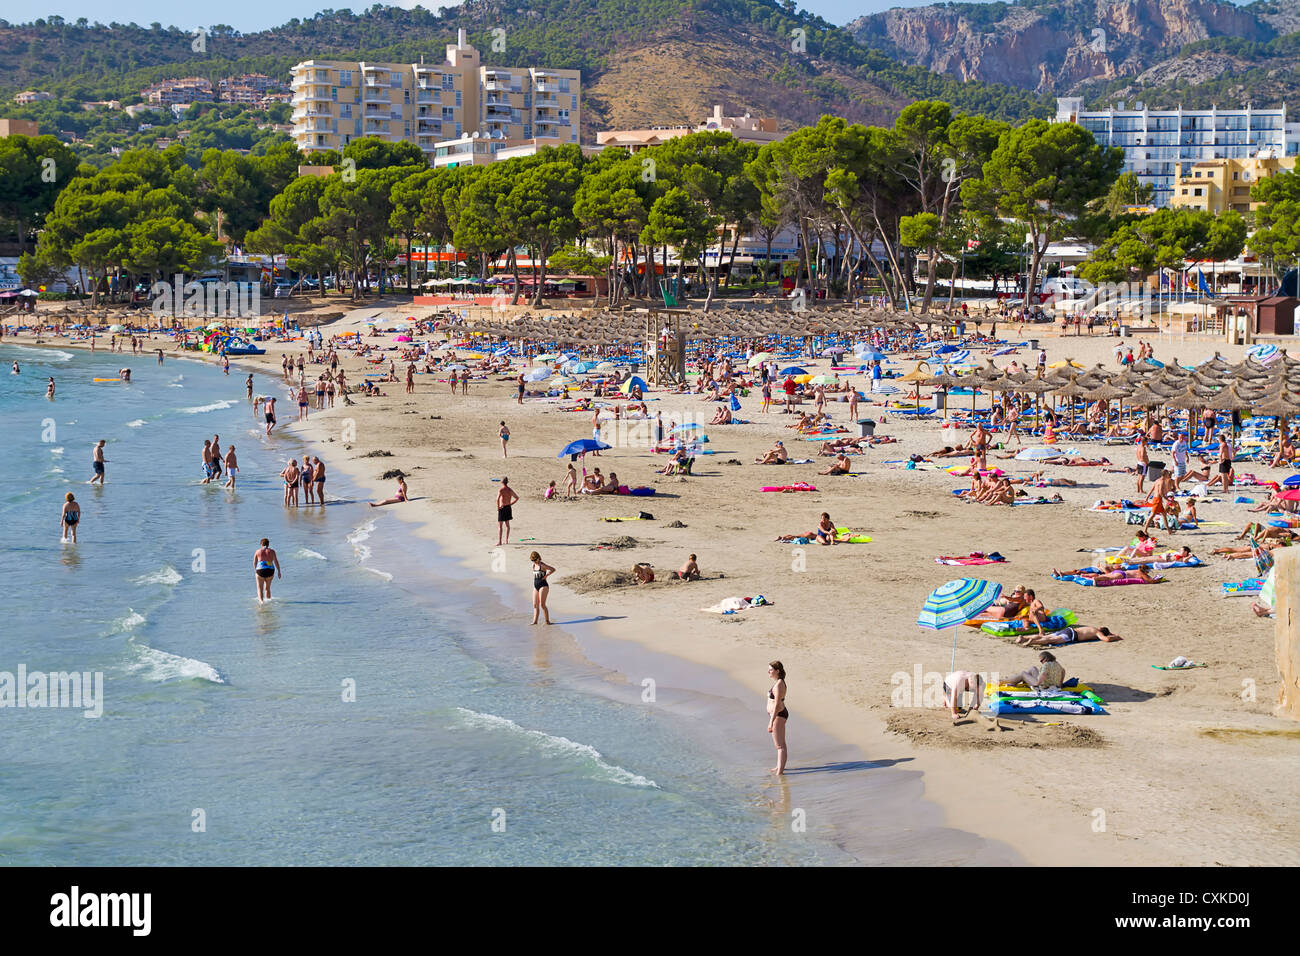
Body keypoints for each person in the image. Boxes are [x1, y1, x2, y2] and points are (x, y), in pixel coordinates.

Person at [767, 661, 788, 775]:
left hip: (778, 715)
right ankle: (779, 766)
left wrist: (771, 722)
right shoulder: (778, 683)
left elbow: (776, 705)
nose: (768, 672)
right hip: (778, 715)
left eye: (770, 669)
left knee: (779, 746)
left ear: (777, 671)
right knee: (781, 744)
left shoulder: (779, 684)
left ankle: (780, 772)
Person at [1016, 625, 1123, 646]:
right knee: (1051, 640)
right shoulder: (1097, 633)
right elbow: (1106, 639)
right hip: (1072, 635)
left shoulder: (1092, 627)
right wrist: (1116, 637)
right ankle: (1032, 642)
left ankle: (1024, 638)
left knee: (1046, 637)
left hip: (1069, 629)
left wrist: (1111, 633)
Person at [529, 551, 554, 625]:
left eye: (534, 560)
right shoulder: (533, 565)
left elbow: (553, 569)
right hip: (536, 586)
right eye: (532, 560)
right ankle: (535, 621)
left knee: (542, 605)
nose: (533, 562)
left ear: (538, 558)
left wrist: (546, 576)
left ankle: (547, 621)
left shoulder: (542, 565)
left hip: (543, 586)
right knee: (535, 605)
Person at [254, 538, 282, 603]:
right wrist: (279, 571)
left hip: (260, 571)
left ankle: (261, 602)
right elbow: (276, 562)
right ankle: (268, 602)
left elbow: (254, 562)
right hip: (270, 571)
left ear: (261, 544)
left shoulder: (258, 551)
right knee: (267, 588)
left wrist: (256, 571)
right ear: (268, 544)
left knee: (260, 588)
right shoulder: (272, 551)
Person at [496, 476, 520, 545]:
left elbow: (497, 499)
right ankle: (506, 540)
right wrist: (511, 504)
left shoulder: (501, 490)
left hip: (502, 508)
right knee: (507, 525)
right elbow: (517, 498)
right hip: (508, 507)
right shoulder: (509, 490)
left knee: (500, 525)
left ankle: (500, 541)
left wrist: (498, 507)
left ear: (501, 482)